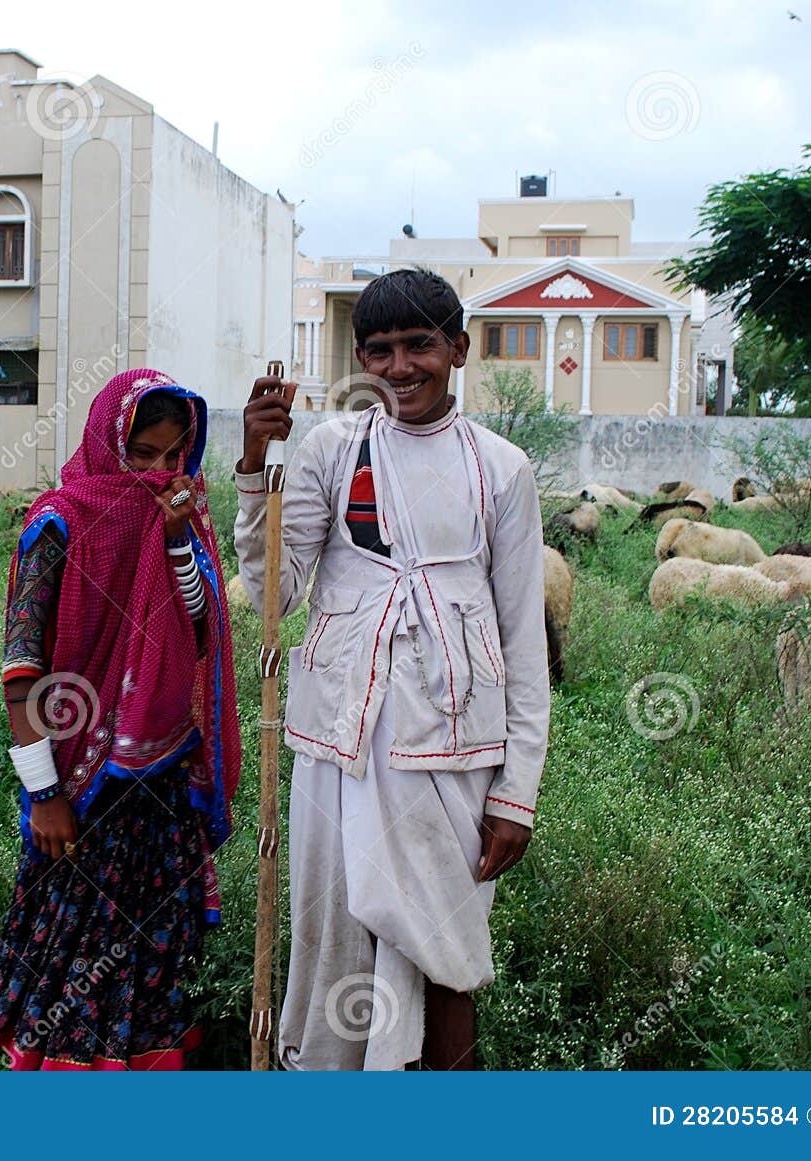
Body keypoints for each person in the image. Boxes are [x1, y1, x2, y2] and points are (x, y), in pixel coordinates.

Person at [233, 268, 549, 1070]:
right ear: (361, 360)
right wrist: (252, 464)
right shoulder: (333, 451)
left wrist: (517, 792)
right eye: (380, 351)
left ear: (460, 349)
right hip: (338, 739)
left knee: (446, 946)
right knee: (335, 931)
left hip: (451, 747)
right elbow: (273, 592)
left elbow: (523, 637)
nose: (401, 367)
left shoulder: (501, 467)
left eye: (421, 346)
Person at [0, 367, 242, 1070]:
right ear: (109, 444)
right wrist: (46, 795)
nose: (156, 472)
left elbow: (203, 632)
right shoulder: (58, 523)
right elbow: (21, 670)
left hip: (161, 794)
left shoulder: (183, 523)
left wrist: (177, 543)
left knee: (155, 961)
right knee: (76, 961)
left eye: (171, 456)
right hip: (82, 798)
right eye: (141, 454)